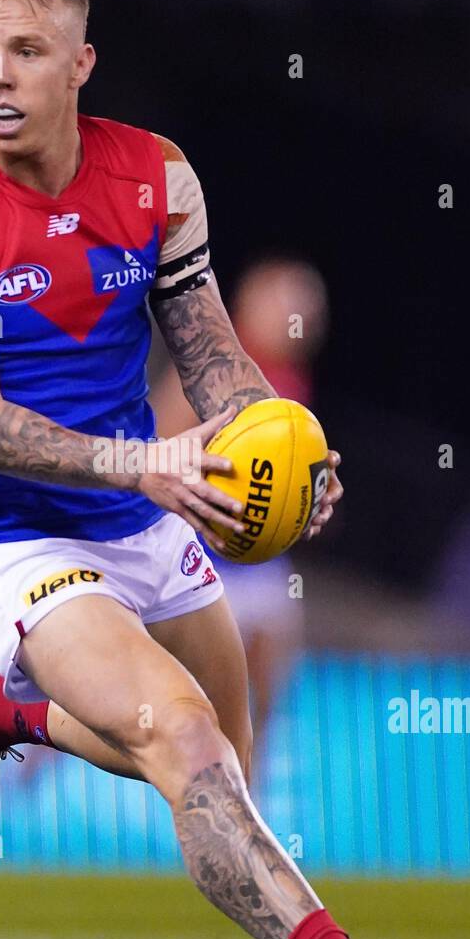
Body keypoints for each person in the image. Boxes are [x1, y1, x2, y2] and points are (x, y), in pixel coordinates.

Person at [0, 0, 452, 939]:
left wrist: (276, 449)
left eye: (25, 52)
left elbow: (211, 352)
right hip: (19, 538)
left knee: (216, 768)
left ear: (80, 64)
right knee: (181, 741)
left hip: (146, 521)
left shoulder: (156, 179)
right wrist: (143, 464)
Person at [152, 256, 329, 733]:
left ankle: (250, 782)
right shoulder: (209, 368)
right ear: (249, 305)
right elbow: (162, 449)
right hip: (194, 550)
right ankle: (22, 760)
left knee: (271, 665)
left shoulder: (291, 384)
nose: (298, 318)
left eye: (306, 309)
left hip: (256, 558)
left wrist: (313, 495)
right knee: (130, 685)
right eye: (286, 304)